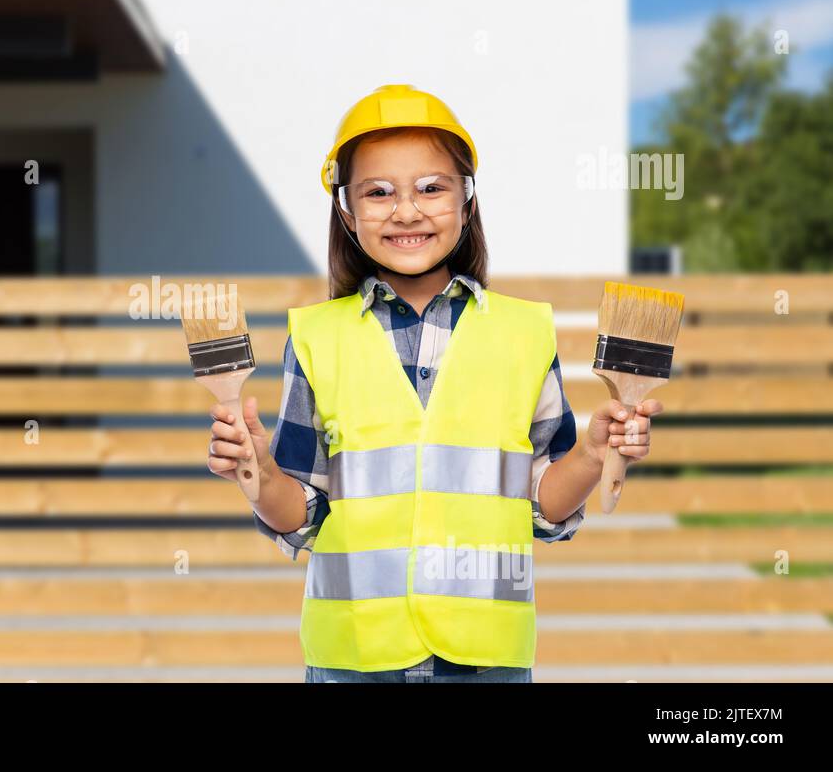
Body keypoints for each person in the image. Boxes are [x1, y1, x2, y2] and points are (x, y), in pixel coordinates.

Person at [205, 84, 663, 683]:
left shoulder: (525, 332)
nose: (406, 211)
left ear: (467, 202)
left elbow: (545, 506)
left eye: (431, 188)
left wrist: (593, 454)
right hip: (353, 659)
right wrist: (261, 473)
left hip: (487, 658)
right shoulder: (315, 338)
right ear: (346, 212)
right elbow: (303, 516)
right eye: (378, 193)